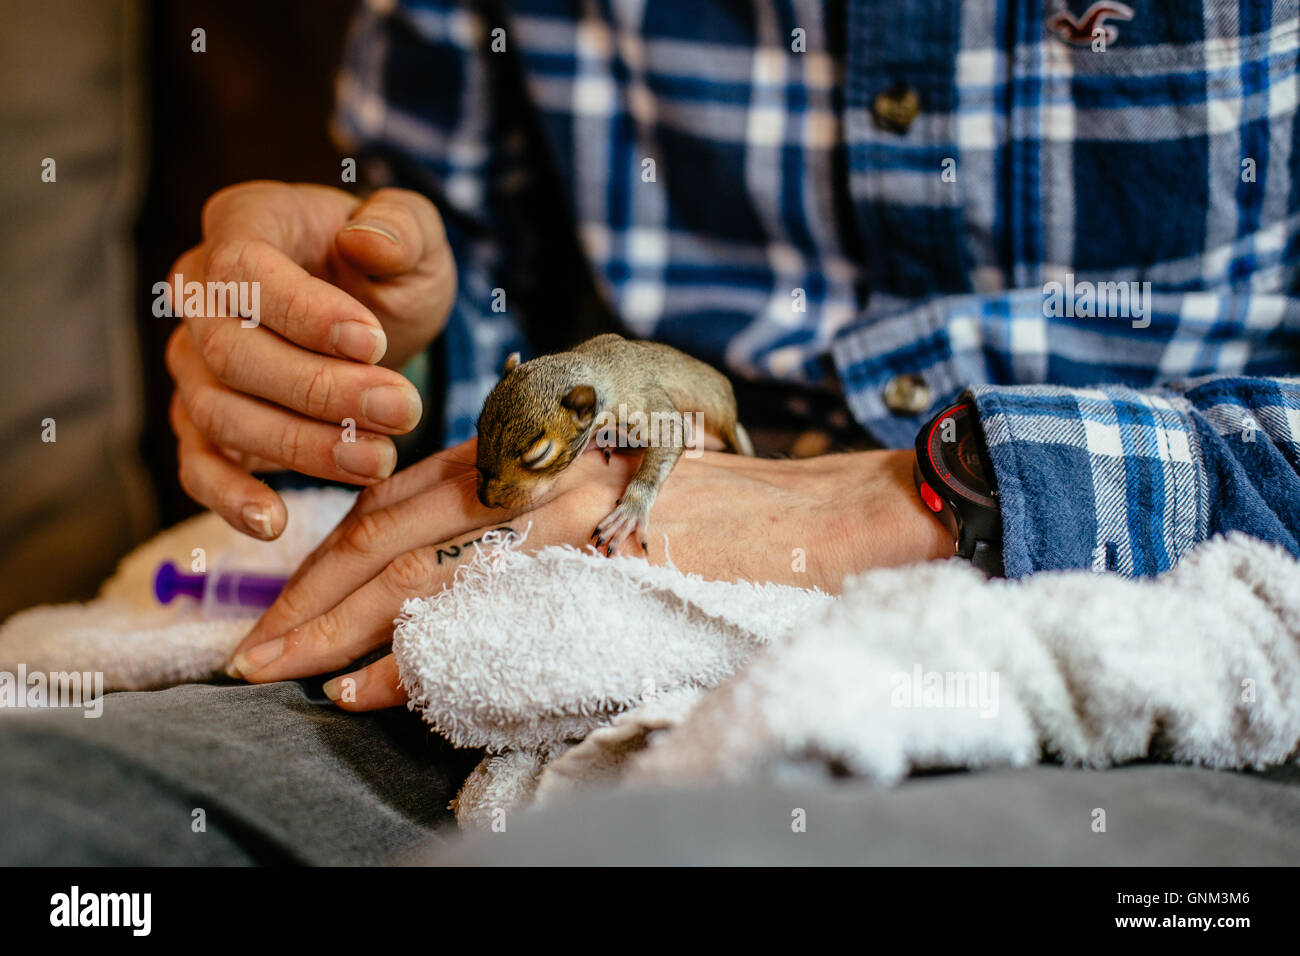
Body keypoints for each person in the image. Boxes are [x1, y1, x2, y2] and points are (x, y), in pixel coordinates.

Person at [5, 0, 1297, 865]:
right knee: (40, 804)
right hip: (570, 606)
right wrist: (359, 351)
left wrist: (931, 493)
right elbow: (488, 347)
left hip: (1160, 626)